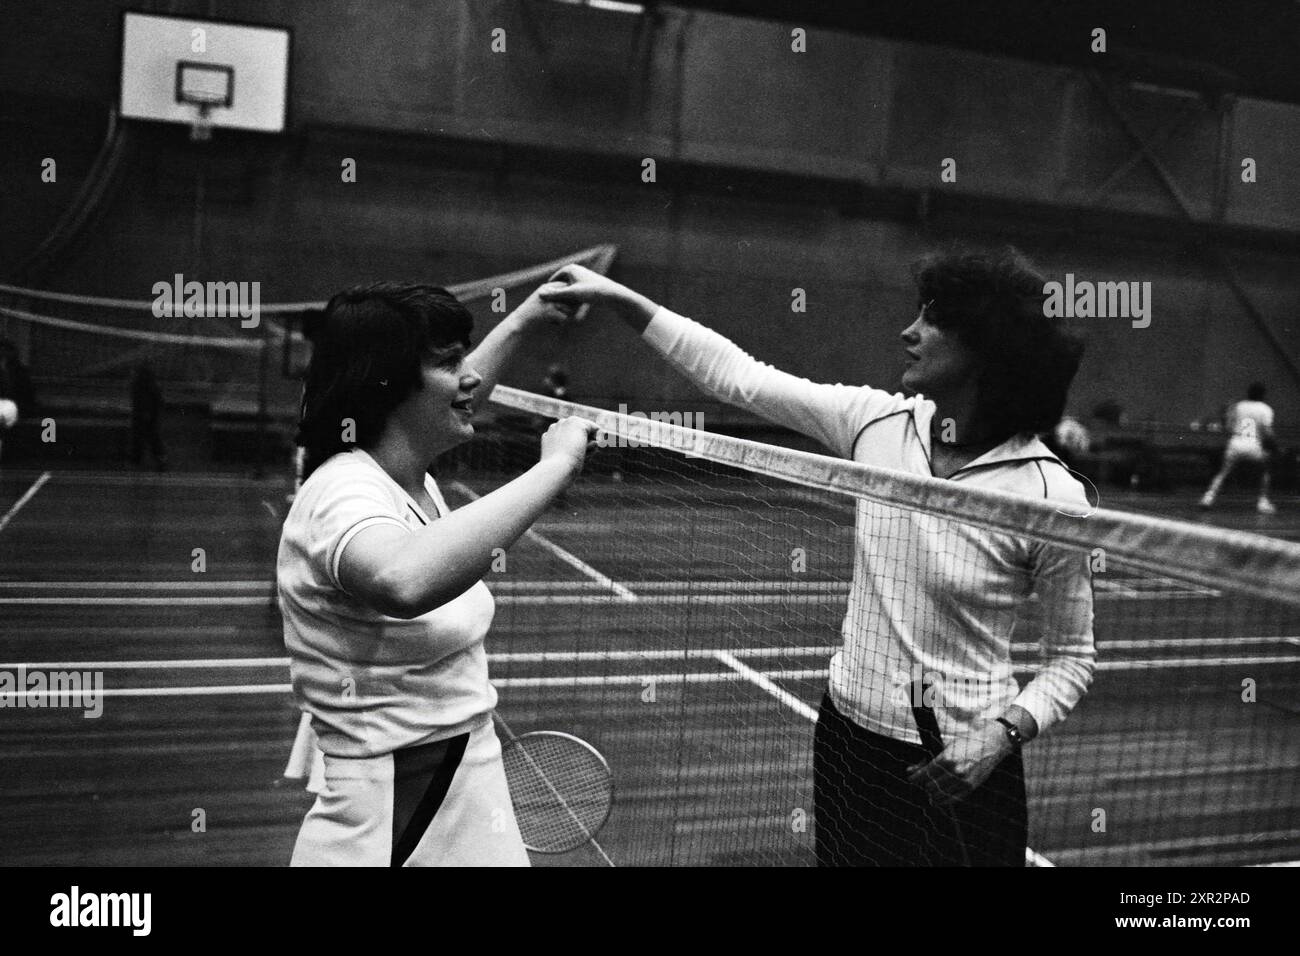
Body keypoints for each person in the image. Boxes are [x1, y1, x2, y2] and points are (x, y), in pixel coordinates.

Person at [541, 248, 1097, 867]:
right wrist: (621, 299)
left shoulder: (1050, 495)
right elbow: (738, 378)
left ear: (984, 346)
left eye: (932, 320)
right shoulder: (876, 424)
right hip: (849, 738)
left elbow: (1071, 660)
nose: (908, 332)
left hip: (966, 761)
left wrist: (1001, 736)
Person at [277, 281, 596, 866]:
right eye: (449, 363)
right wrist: (557, 468)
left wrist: (527, 319)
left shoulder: (406, 477)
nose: (469, 376)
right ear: (387, 383)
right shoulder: (341, 492)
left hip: (457, 780)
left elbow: (459, 390)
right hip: (399, 808)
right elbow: (403, 582)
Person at [1200, 382, 1277, 514]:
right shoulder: (1265, 409)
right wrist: (1275, 446)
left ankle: (1208, 497)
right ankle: (1262, 502)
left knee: (1223, 472)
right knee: (1265, 469)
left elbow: (1228, 426)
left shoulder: (1239, 406)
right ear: (1263, 395)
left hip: (1235, 444)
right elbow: (1267, 431)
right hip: (1254, 446)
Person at [129, 360, 168, 471]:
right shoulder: (152, 383)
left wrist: (145, 411)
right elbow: (159, 400)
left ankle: (137, 460)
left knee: (141, 437)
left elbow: (140, 399)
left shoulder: (139, 384)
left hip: (143, 413)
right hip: (150, 414)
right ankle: (160, 459)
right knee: (152, 437)